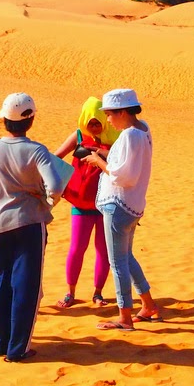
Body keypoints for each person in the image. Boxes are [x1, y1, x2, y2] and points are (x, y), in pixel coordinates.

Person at [0, 92, 67, 362]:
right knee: (26, 285)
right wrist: (46, 200)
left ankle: (1, 343)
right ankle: (18, 348)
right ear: (30, 120)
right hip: (29, 223)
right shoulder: (36, 151)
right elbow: (55, 186)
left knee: (2, 282)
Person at [82, 88, 161, 331]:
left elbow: (122, 175)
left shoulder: (129, 135)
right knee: (126, 257)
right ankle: (148, 306)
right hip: (132, 205)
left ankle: (124, 318)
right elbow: (127, 161)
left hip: (118, 204)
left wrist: (98, 162)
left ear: (124, 111)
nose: (108, 119)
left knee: (117, 262)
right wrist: (104, 154)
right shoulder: (142, 128)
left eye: (110, 114)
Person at [51, 96, 120, 309]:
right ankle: (70, 292)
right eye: (91, 124)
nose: (95, 128)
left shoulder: (116, 137)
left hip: (105, 204)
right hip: (80, 203)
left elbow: (123, 164)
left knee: (103, 250)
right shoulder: (79, 135)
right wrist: (56, 184)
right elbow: (56, 157)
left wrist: (101, 153)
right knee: (77, 248)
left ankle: (98, 293)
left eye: (98, 123)